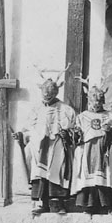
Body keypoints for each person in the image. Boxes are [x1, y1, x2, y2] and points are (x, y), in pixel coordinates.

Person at [12, 65, 76, 215]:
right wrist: (21, 135)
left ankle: (58, 204)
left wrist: (66, 134)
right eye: (44, 91)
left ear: (56, 91)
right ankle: (42, 204)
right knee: (39, 173)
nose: (47, 94)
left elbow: (73, 129)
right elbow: (28, 128)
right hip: (39, 148)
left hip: (56, 146)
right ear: (40, 91)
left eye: (51, 91)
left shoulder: (65, 109)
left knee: (56, 172)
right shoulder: (36, 109)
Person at [70, 78, 112, 215]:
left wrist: (110, 132)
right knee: (88, 178)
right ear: (89, 101)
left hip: (104, 151)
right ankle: (89, 206)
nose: (96, 104)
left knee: (106, 177)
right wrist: (77, 133)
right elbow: (77, 135)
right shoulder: (82, 116)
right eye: (93, 101)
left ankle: (108, 206)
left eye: (99, 101)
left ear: (103, 101)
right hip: (88, 151)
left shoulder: (109, 116)